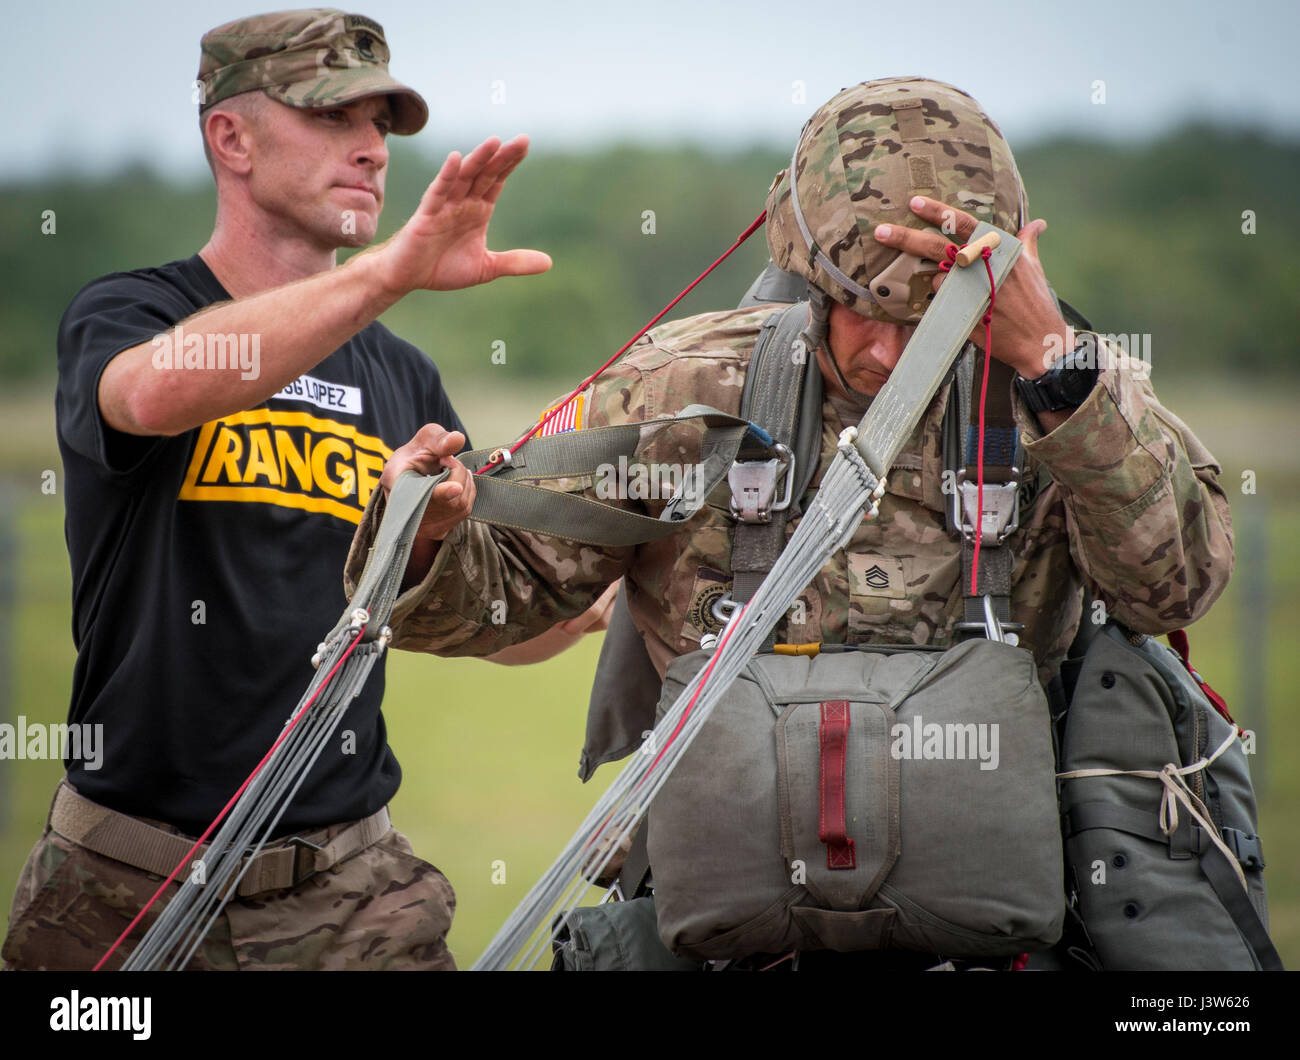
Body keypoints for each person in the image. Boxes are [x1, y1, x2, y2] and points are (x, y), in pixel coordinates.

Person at [347, 77, 1234, 966]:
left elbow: (1174, 590)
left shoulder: (1074, 397)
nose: (889, 351)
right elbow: (494, 603)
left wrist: (1056, 370)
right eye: (862, 308)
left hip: (991, 935)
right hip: (727, 936)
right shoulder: (684, 392)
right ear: (804, 269)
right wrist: (428, 535)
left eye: (929, 316)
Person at [2, 7, 604, 972]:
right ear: (229, 136)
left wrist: (602, 595)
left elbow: (493, 621)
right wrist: (389, 274)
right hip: (122, 890)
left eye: (380, 128)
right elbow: (156, 392)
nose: (369, 150)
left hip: (356, 898)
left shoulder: (403, 380)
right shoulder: (130, 314)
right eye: (333, 119)